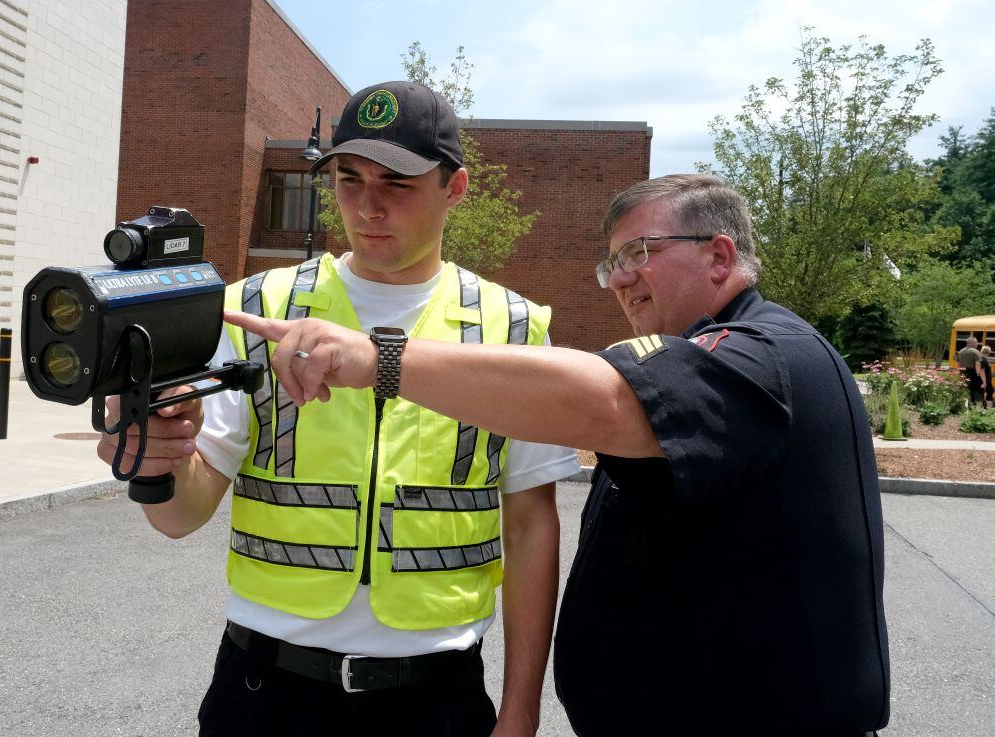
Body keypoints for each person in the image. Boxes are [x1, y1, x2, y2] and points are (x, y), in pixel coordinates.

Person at [228, 174, 892, 736]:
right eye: (612, 263)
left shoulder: (761, 354)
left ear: (718, 256)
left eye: (639, 252)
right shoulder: (705, 365)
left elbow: (601, 403)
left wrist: (380, 359)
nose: (619, 280)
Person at [98, 81, 579, 736]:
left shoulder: (511, 327)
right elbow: (181, 516)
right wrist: (154, 463)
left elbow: (530, 526)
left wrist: (520, 709)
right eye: (348, 179)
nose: (367, 206)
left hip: (434, 696)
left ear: (455, 188)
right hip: (266, 691)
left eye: (398, 183)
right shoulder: (257, 308)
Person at [958, 335, 986, 408]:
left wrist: (960, 373)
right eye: (976, 342)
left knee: (967, 390)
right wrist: (978, 374)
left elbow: (959, 363)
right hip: (973, 372)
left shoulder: (960, 351)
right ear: (971, 343)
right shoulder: (975, 351)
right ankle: (982, 406)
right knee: (979, 389)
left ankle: (968, 405)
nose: (977, 344)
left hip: (963, 372)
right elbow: (977, 363)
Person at [980, 344, 993, 409]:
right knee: (990, 392)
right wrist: (984, 382)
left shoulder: (981, 359)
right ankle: (989, 408)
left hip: (983, 380)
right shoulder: (983, 360)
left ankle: (984, 407)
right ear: (989, 352)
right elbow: (982, 371)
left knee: (983, 393)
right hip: (986, 380)